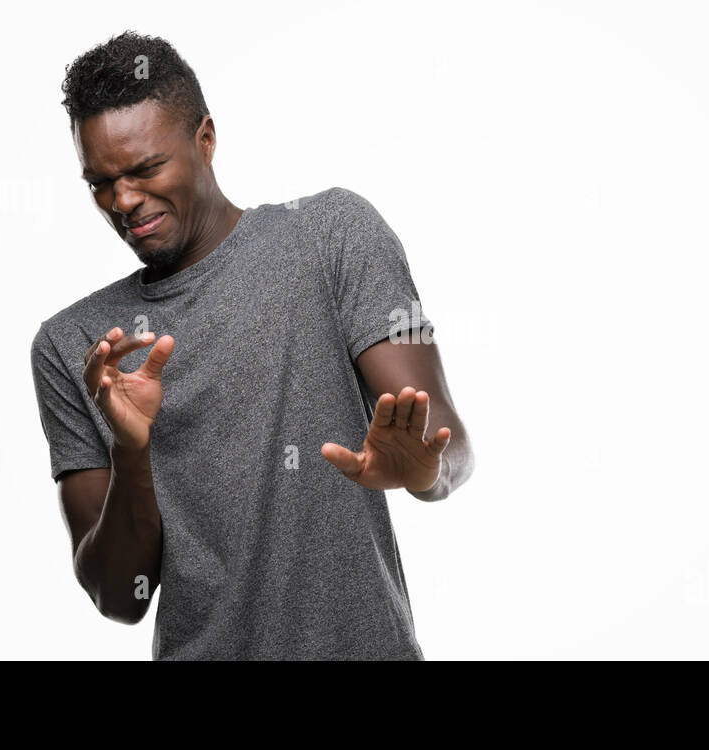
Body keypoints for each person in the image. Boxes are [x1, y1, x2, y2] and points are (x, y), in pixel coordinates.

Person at [29, 31, 474, 660]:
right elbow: (120, 599)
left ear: (205, 139)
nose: (123, 201)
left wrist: (429, 474)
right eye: (100, 183)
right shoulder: (74, 344)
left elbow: (451, 445)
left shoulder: (333, 236)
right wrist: (132, 452)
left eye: (145, 168)